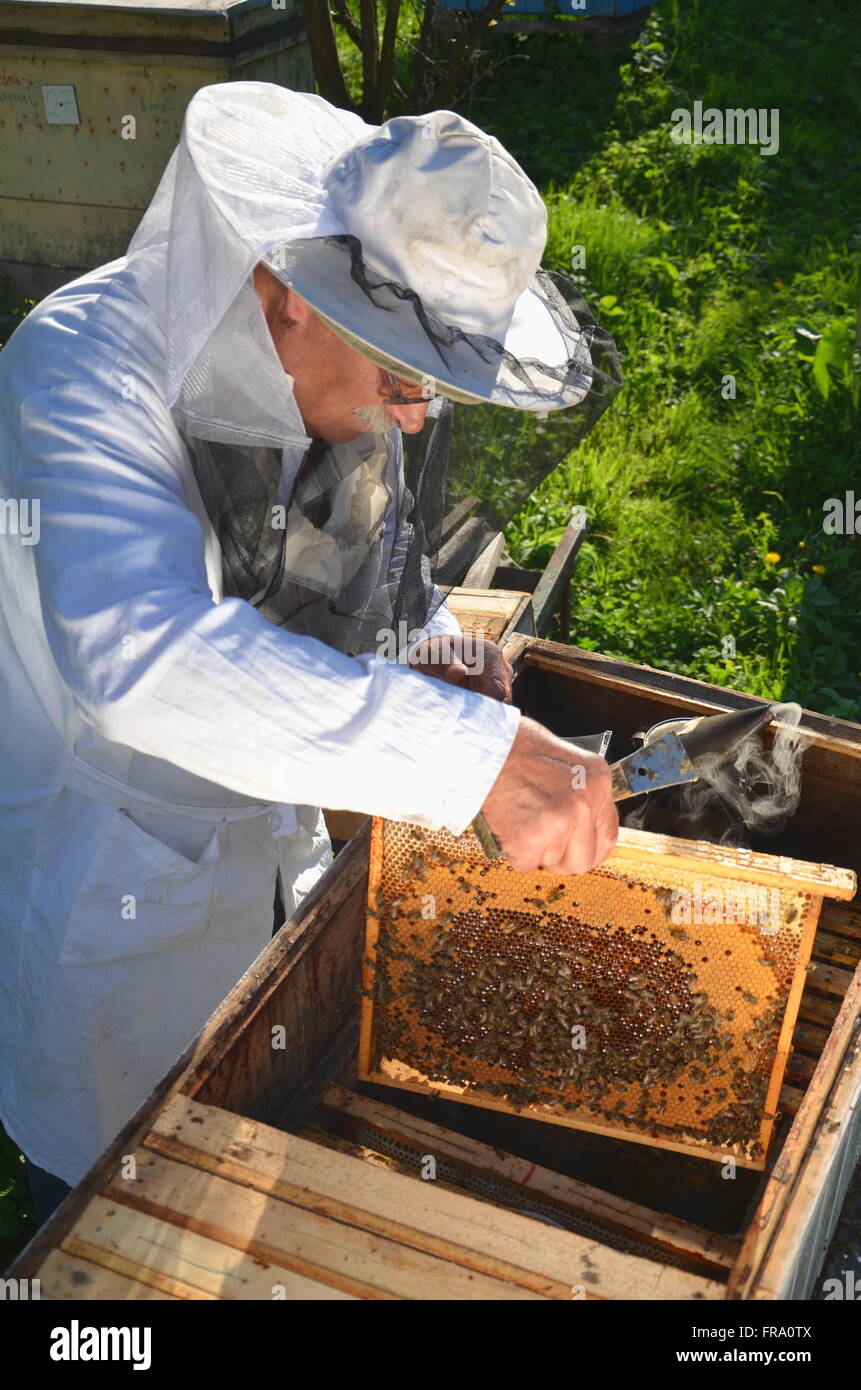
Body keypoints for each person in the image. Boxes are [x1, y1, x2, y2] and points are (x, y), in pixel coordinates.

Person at [0, 82, 622, 1224]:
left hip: (274, 875)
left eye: (432, 386)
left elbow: (378, 583)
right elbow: (139, 660)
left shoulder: (333, 378)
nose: (415, 415)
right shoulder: (81, 373)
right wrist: (469, 757)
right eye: (400, 378)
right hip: (110, 887)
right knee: (101, 1231)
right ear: (286, 297)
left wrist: (433, 652)